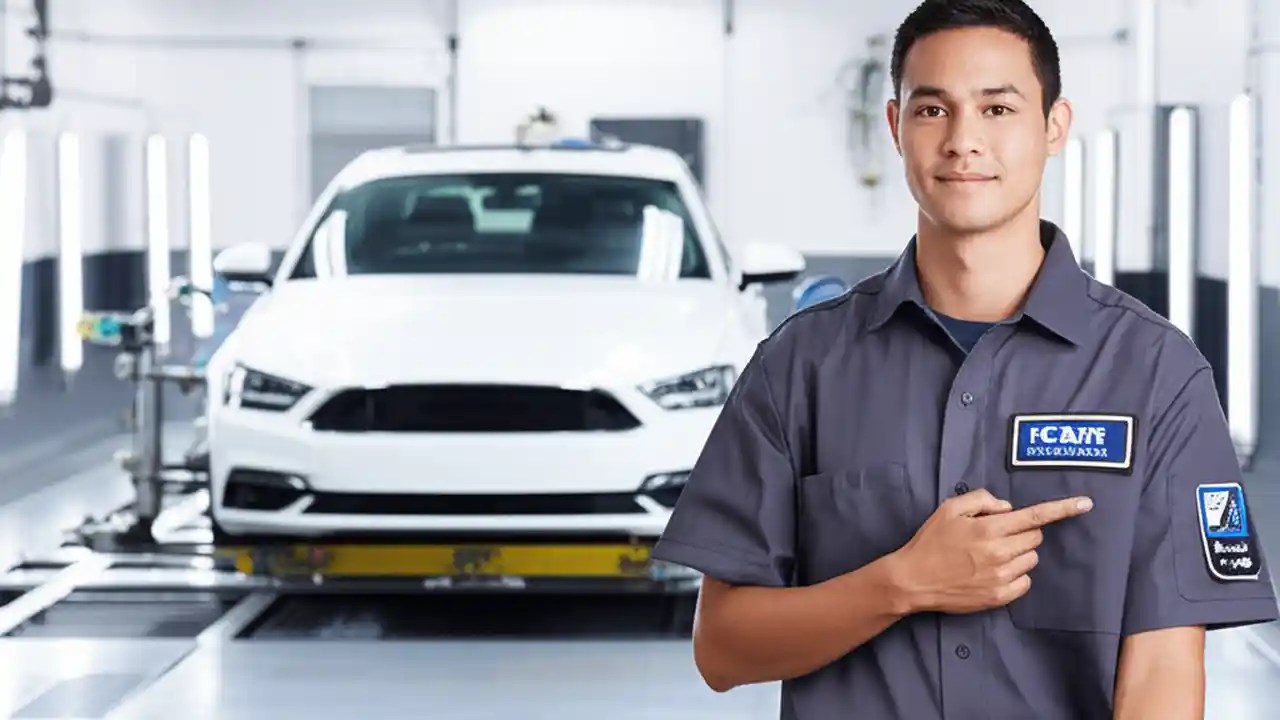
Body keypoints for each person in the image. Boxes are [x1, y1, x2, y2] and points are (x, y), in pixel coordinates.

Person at [648, 1, 1280, 718]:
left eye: (998, 109)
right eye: (932, 110)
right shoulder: (801, 366)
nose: (963, 141)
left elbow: (1164, 670)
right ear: (895, 127)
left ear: (1054, 127)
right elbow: (723, 648)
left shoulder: (1156, 374)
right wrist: (899, 584)